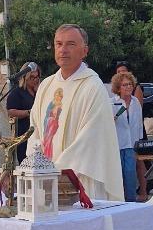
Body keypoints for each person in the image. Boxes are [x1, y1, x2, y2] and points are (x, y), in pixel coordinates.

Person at [30, 24, 124, 202]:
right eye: (59, 44)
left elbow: (91, 138)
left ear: (85, 51)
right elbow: (34, 130)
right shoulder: (46, 85)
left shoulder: (92, 86)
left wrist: (58, 170)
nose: (63, 50)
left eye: (71, 44)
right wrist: (38, 166)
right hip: (45, 179)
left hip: (80, 178)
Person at [110, 71, 143, 202]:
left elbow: (139, 123)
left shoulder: (136, 102)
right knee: (118, 175)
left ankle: (131, 202)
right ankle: (118, 201)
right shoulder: (112, 103)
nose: (128, 87)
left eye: (130, 84)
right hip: (117, 144)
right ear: (118, 88)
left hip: (131, 144)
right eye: (124, 85)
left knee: (130, 174)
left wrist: (139, 142)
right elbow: (109, 123)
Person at [6, 63, 40, 163]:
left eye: (37, 77)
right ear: (25, 77)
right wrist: (30, 112)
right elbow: (11, 112)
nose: (35, 80)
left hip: (39, 134)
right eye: (32, 77)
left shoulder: (40, 92)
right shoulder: (17, 93)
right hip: (24, 135)